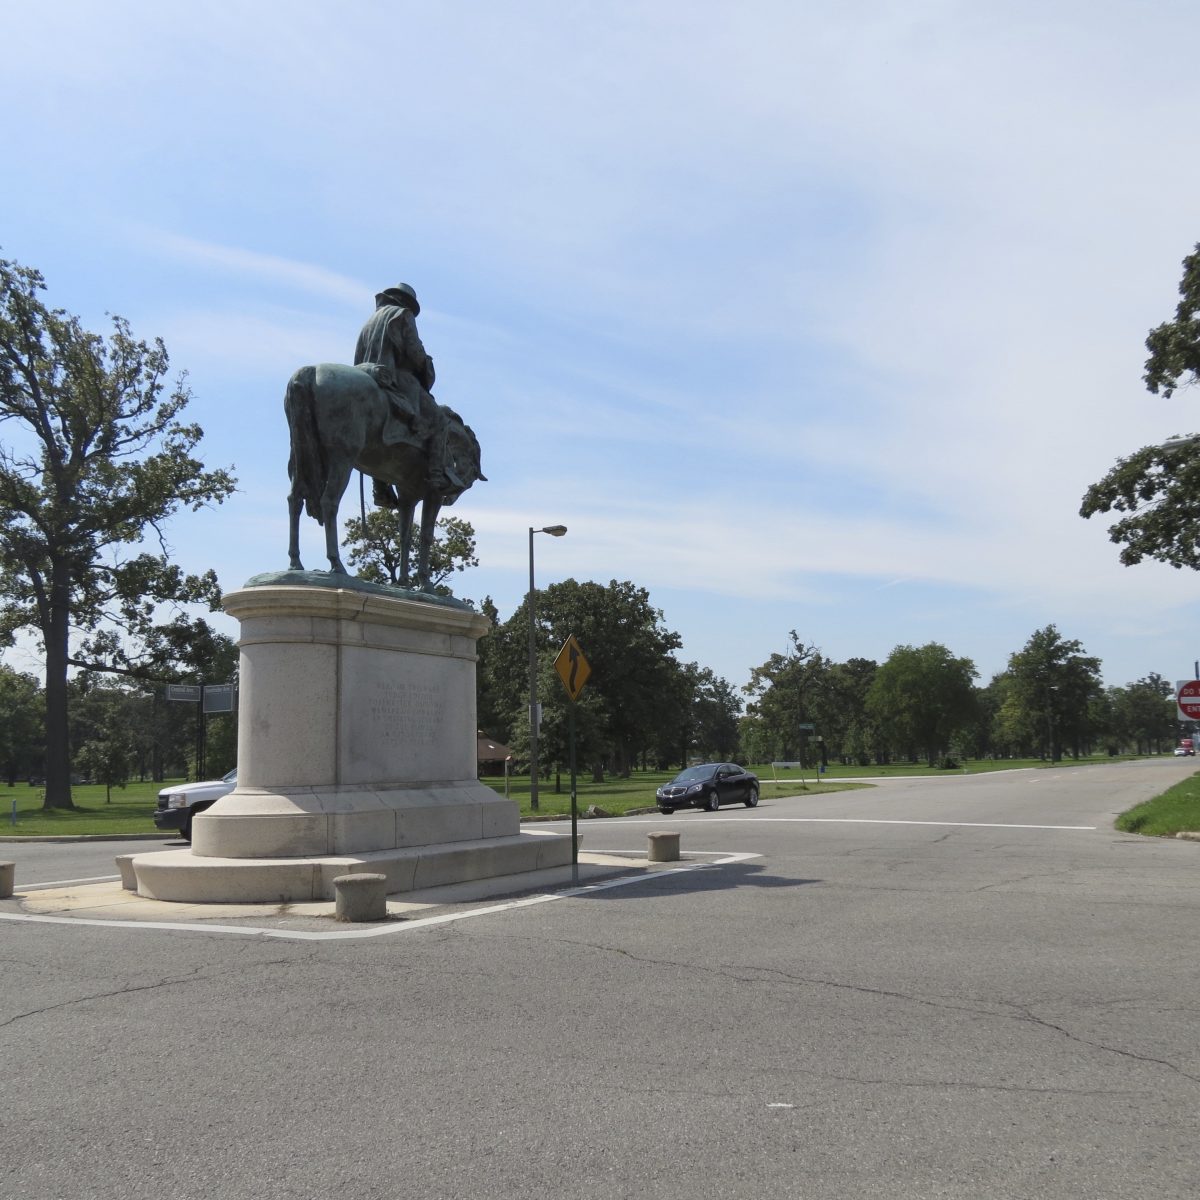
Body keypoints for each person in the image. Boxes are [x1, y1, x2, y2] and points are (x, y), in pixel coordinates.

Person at [353, 284, 459, 502]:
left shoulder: (369, 322)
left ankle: (380, 489)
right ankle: (436, 477)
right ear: (407, 303)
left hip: (365, 374)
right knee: (439, 421)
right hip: (394, 376)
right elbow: (414, 351)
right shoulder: (402, 315)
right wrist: (426, 363)